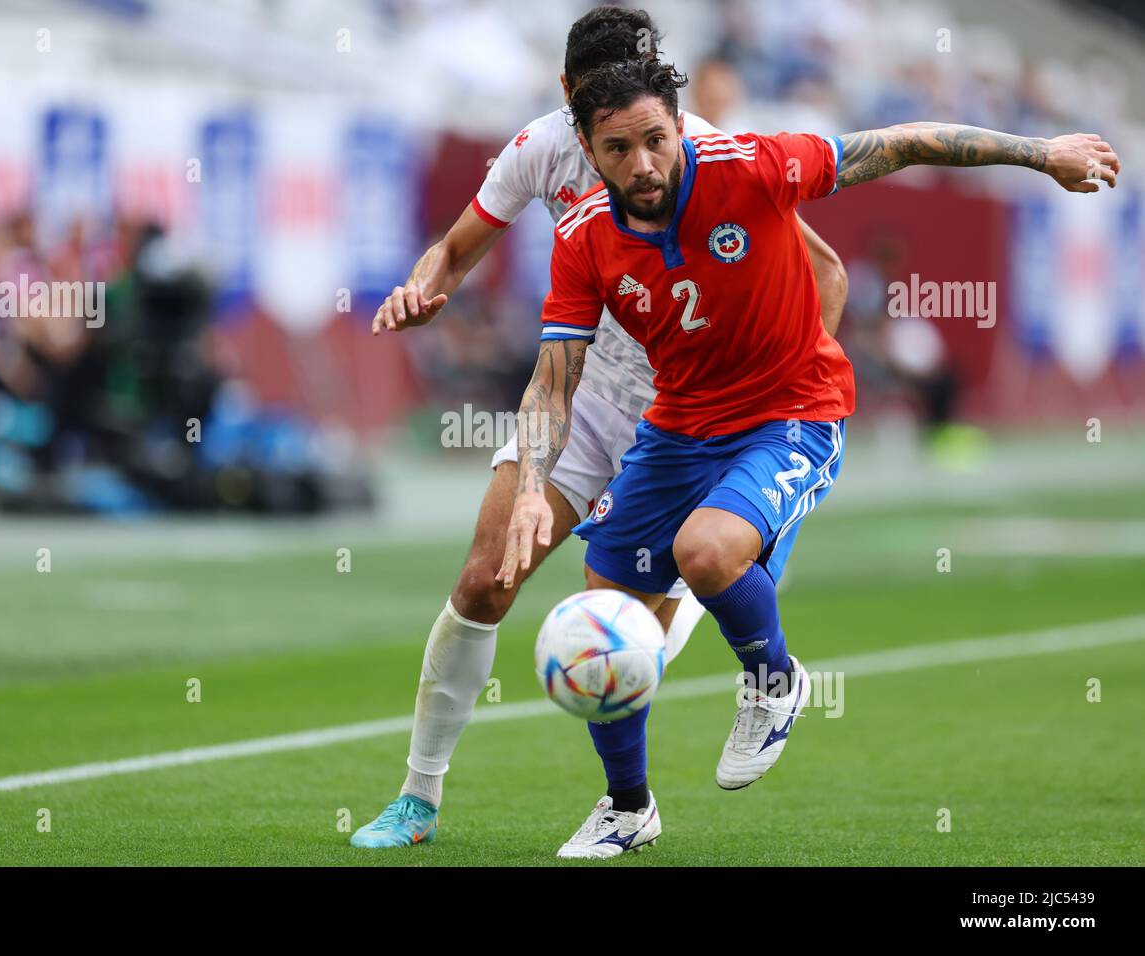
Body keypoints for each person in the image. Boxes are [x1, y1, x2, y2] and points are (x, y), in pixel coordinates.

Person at [495, 56, 1118, 857]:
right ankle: (628, 807)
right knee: (606, 603)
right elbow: (554, 382)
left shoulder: (753, 166)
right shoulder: (582, 240)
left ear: (679, 126)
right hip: (677, 426)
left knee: (705, 552)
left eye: (656, 139)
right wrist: (527, 490)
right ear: (586, 144)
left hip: (793, 412)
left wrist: (1041, 154)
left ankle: (775, 679)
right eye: (618, 149)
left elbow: (903, 142)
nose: (642, 164)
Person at [352, 5, 848, 852]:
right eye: (597, 108)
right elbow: (460, 244)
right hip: (577, 399)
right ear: (569, 98)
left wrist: (783, 403)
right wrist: (418, 286)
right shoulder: (543, 147)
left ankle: (632, 794)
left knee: (627, 622)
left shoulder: (696, 151)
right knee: (485, 580)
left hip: (699, 417)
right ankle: (418, 798)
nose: (624, 137)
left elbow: (823, 269)